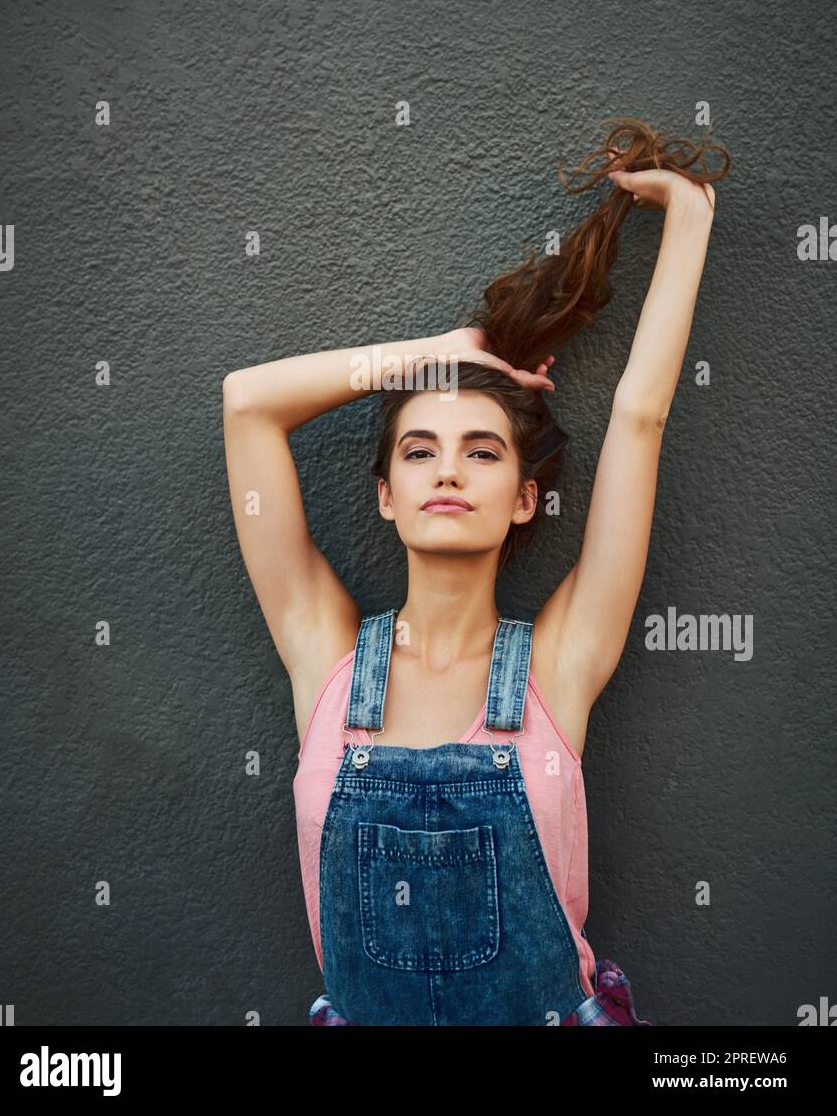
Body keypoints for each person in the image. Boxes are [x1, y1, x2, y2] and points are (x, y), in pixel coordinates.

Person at [222, 118, 729, 1026]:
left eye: (482, 452)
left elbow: (640, 417)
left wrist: (688, 218)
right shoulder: (325, 659)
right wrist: (434, 357)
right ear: (385, 495)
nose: (448, 470)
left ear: (525, 498)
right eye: (419, 452)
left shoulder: (559, 668)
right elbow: (247, 404)